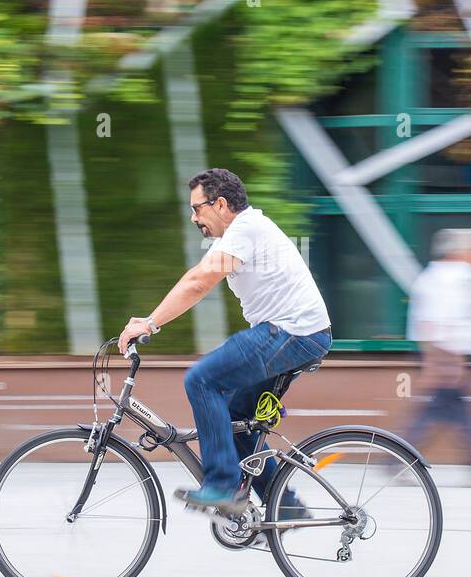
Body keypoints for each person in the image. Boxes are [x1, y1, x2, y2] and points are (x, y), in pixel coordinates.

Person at [117, 168, 331, 516]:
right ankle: (284, 504)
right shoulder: (238, 235)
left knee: (202, 380)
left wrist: (150, 323)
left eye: (197, 208)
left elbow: (198, 283)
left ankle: (221, 486)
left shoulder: (245, 229)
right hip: (296, 333)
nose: (193, 217)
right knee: (234, 416)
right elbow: (197, 280)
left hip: (292, 332)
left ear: (220, 204)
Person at [404, 228, 471, 488]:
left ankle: (396, 459)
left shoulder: (434, 275)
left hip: (442, 353)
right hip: (448, 355)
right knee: (455, 414)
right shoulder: (458, 277)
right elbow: (452, 321)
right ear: (467, 251)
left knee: (446, 413)